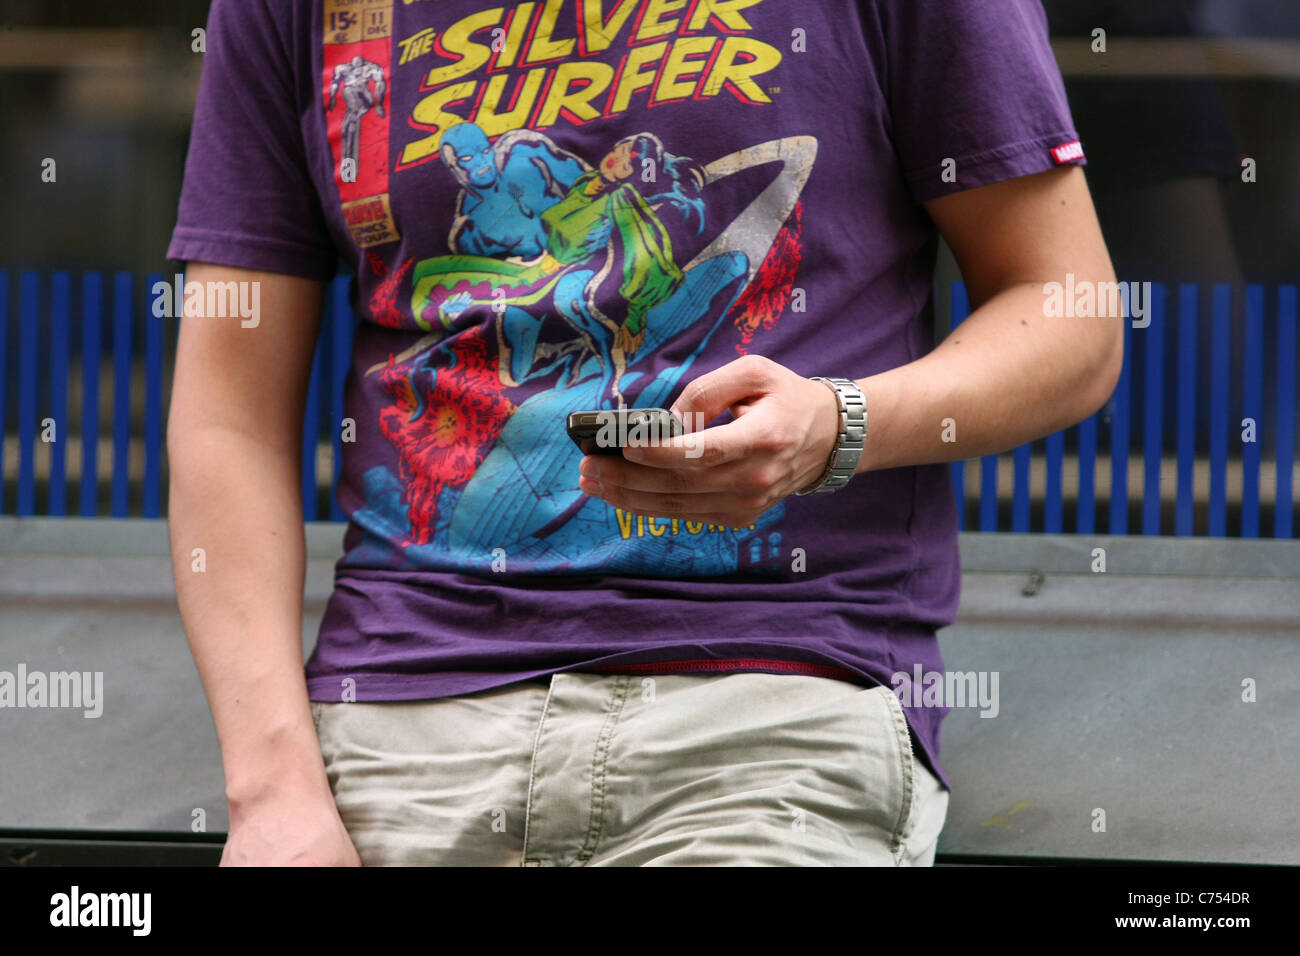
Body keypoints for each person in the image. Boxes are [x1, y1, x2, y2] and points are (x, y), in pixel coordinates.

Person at [166, 0, 1121, 866]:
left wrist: (838, 425)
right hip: (398, 723)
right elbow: (226, 420)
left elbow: (1070, 315)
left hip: (770, 712)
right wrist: (273, 793)